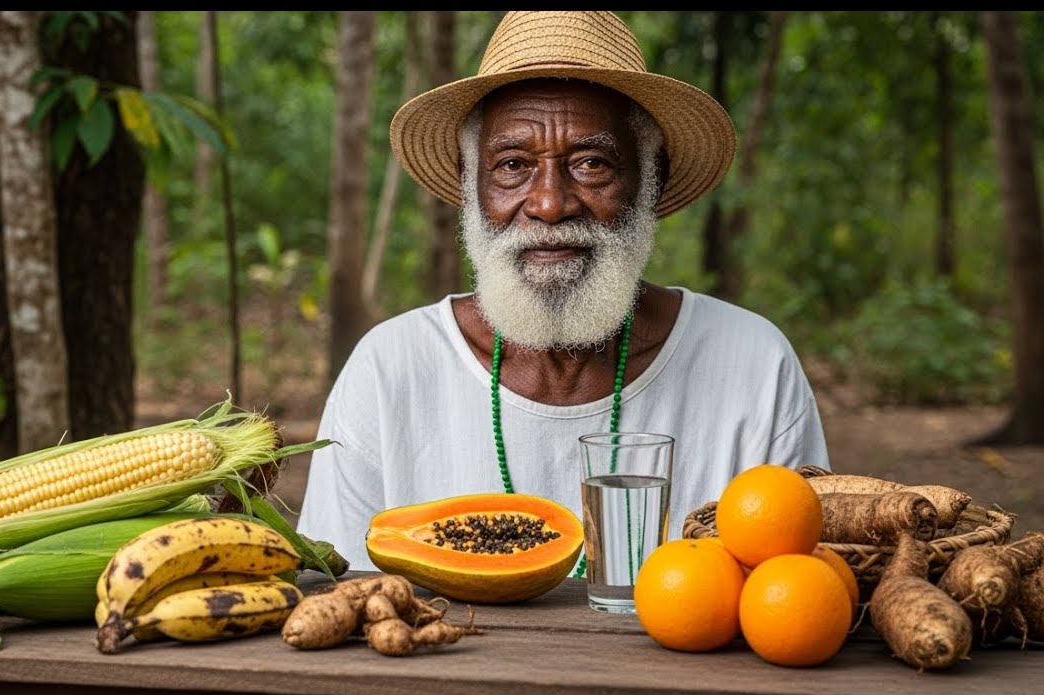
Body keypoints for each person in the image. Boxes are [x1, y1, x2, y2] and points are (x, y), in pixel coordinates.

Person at [296, 10, 830, 572]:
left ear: (652, 178)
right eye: (512, 165)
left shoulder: (753, 365)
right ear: (470, 184)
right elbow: (336, 591)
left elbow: (796, 590)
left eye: (591, 163)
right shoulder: (391, 369)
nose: (550, 204)